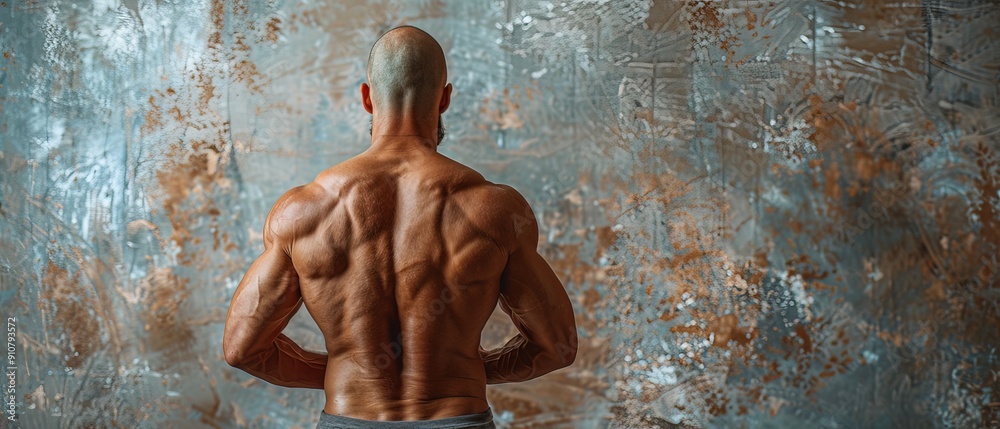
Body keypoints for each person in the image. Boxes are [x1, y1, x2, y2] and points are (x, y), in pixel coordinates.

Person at [222, 26, 578, 429]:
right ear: (445, 98)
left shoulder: (304, 211)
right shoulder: (494, 209)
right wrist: (469, 370)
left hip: (350, 416)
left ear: (366, 97)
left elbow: (243, 349)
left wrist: (343, 372)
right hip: (458, 416)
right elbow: (557, 347)